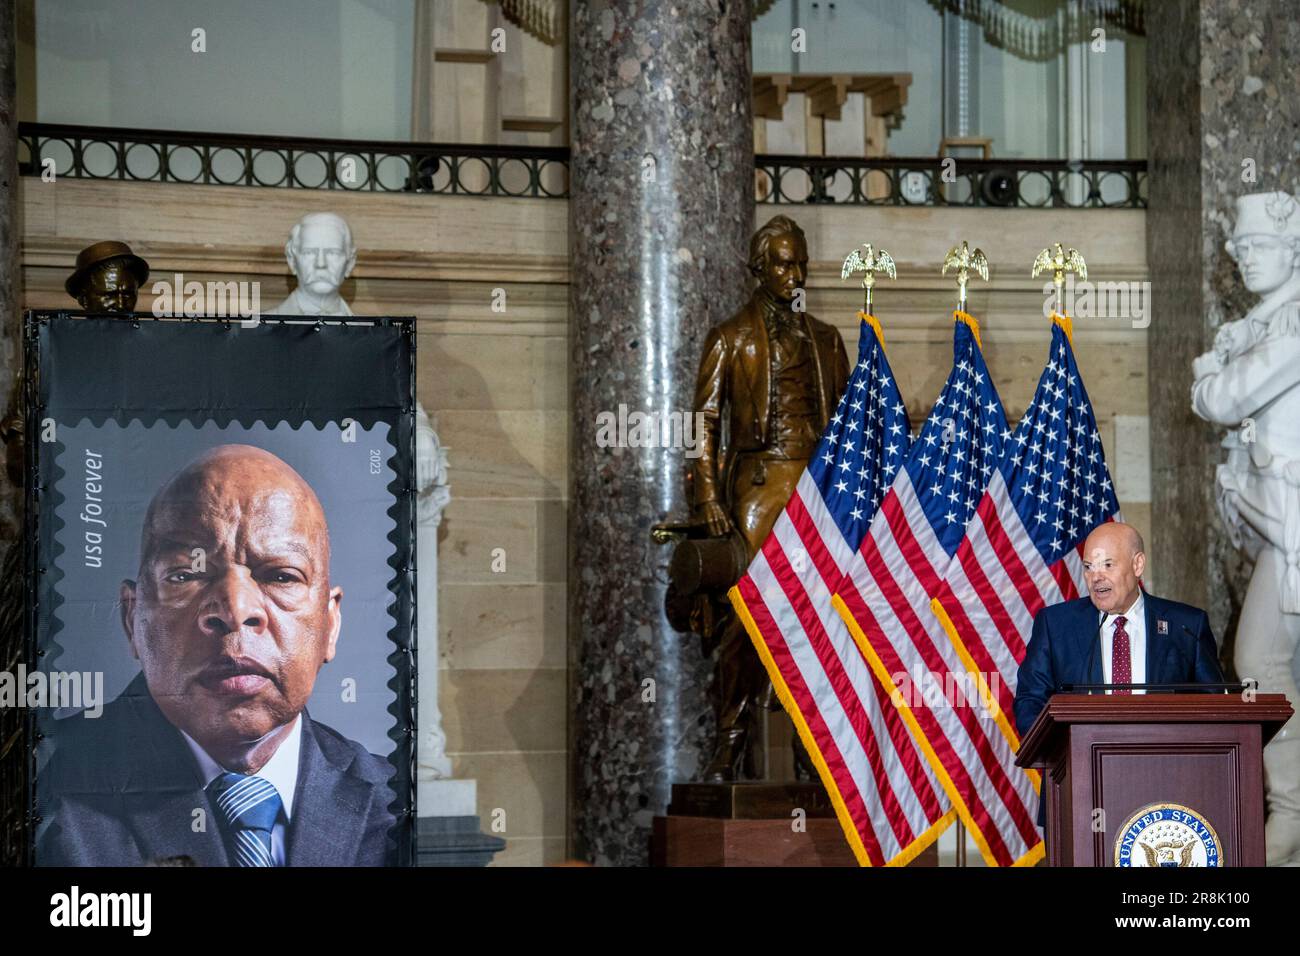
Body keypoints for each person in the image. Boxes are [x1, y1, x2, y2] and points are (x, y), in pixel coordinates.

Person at [36, 444, 397, 866]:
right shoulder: (34, 789)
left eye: (281, 575)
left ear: (330, 624)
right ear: (133, 618)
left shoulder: (399, 809)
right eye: (186, 575)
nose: (235, 610)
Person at [691, 215, 849, 781]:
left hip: (817, 489)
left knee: (819, 618)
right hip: (758, 490)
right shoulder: (730, 337)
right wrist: (707, 494)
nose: (794, 273)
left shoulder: (827, 339)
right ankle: (731, 737)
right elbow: (703, 422)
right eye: (783, 262)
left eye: (800, 262)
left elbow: (848, 429)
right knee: (748, 615)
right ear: (759, 269)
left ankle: (813, 745)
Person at [1014, 522, 1225, 825]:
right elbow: (1029, 701)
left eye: (1107, 565)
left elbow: (1214, 708)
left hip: (1169, 793)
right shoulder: (1056, 625)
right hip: (1079, 791)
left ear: (1138, 564)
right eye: (1088, 567)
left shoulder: (1186, 625)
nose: (1096, 576)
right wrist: (1063, 753)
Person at [270, 212, 357, 316]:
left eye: (333, 253)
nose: (321, 264)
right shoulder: (256, 330)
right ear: (292, 261)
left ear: (350, 263)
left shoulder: (372, 331)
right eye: (309, 252)